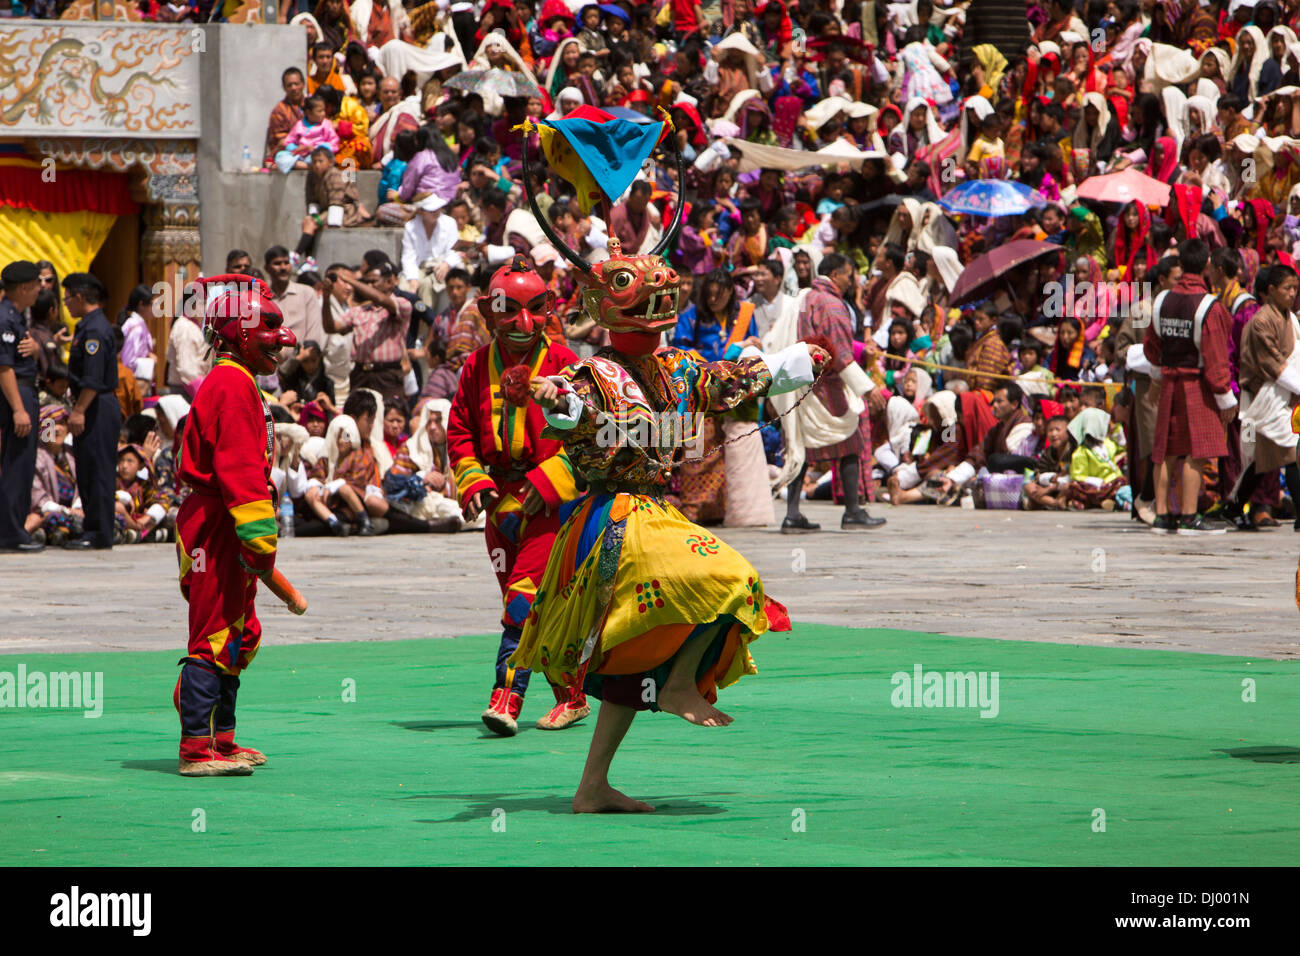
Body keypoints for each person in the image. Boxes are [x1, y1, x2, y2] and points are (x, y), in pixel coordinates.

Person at [510, 225, 829, 812]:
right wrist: (553, 401)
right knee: (732, 579)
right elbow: (568, 406)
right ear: (606, 306)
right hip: (615, 517)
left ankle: (591, 788)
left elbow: (731, 380)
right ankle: (680, 683)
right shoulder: (593, 375)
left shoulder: (678, 367)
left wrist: (795, 362)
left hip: (656, 512)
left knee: (636, 653)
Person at [448, 257, 590, 735]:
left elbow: (591, 437)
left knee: (522, 601)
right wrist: (474, 482)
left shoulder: (566, 365)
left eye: (535, 310)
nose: (523, 325)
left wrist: (548, 482)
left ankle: (506, 698)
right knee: (538, 607)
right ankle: (571, 696)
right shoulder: (474, 366)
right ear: (490, 312)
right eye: (511, 311)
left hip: (550, 507)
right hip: (499, 504)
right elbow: (459, 433)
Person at [173, 274, 297, 776]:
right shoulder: (229, 383)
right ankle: (195, 750)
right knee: (215, 631)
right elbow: (240, 472)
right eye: (269, 326)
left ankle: (221, 739)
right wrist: (260, 544)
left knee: (239, 632)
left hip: (227, 521)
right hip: (216, 523)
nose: (281, 339)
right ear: (239, 331)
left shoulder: (237, 379)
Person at [784, 253, 885, 532]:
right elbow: (840, 353)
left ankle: (792, 514)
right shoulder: (830, 303)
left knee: (800, 446)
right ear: (837, 274)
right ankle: (852, 511)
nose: (852, 280)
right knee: (852, 443)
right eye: (850, 274)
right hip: (825, 386)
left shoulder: (802, 298)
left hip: (797, 383)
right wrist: (868, 387)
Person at [1143, 239, 1236, 534]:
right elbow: (1216, 358)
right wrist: (1226, 398)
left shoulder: (1160, 301)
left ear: (1180, 264)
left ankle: (1161, 516)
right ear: (1207, 265)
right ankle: (1188, 517)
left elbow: (1151, 347)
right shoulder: (1209, 305)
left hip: (1169, 381)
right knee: (1196, 452)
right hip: (1197, 384)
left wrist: (1158, 377)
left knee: (1166, 451)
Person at [63, 273, 121, 551]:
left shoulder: (95, 329)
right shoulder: (87, 327)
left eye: (67, 297)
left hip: (96, 405)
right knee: (87, 467)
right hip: (91, 403)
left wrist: (79, 411)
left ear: (79, 296)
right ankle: (92, 527)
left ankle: (100, 532)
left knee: (98, 469)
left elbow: (93, 377)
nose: (65, 303)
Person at [0, 260, 44, 552]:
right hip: (16, 396)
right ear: (25, 288)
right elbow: (4, 369)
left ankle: (14, 530)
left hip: (25, 393)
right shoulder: (5, 318)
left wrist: (37, 349)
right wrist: (18, 408)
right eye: (37, 286)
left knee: (23, 464)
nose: (40, 292)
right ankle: (11, 533)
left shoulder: (16, 316)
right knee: (16, 465)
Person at [322, 261, 410, 402]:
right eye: (366, 282)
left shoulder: (402, 304)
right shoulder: (359, 311)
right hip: (361, 373)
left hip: (387, 374)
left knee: (388, 416)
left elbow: (381, 299)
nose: (369, 286)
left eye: (373, 282)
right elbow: (331, 328)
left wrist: (348, 279)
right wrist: (326, 299)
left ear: (389, 282)